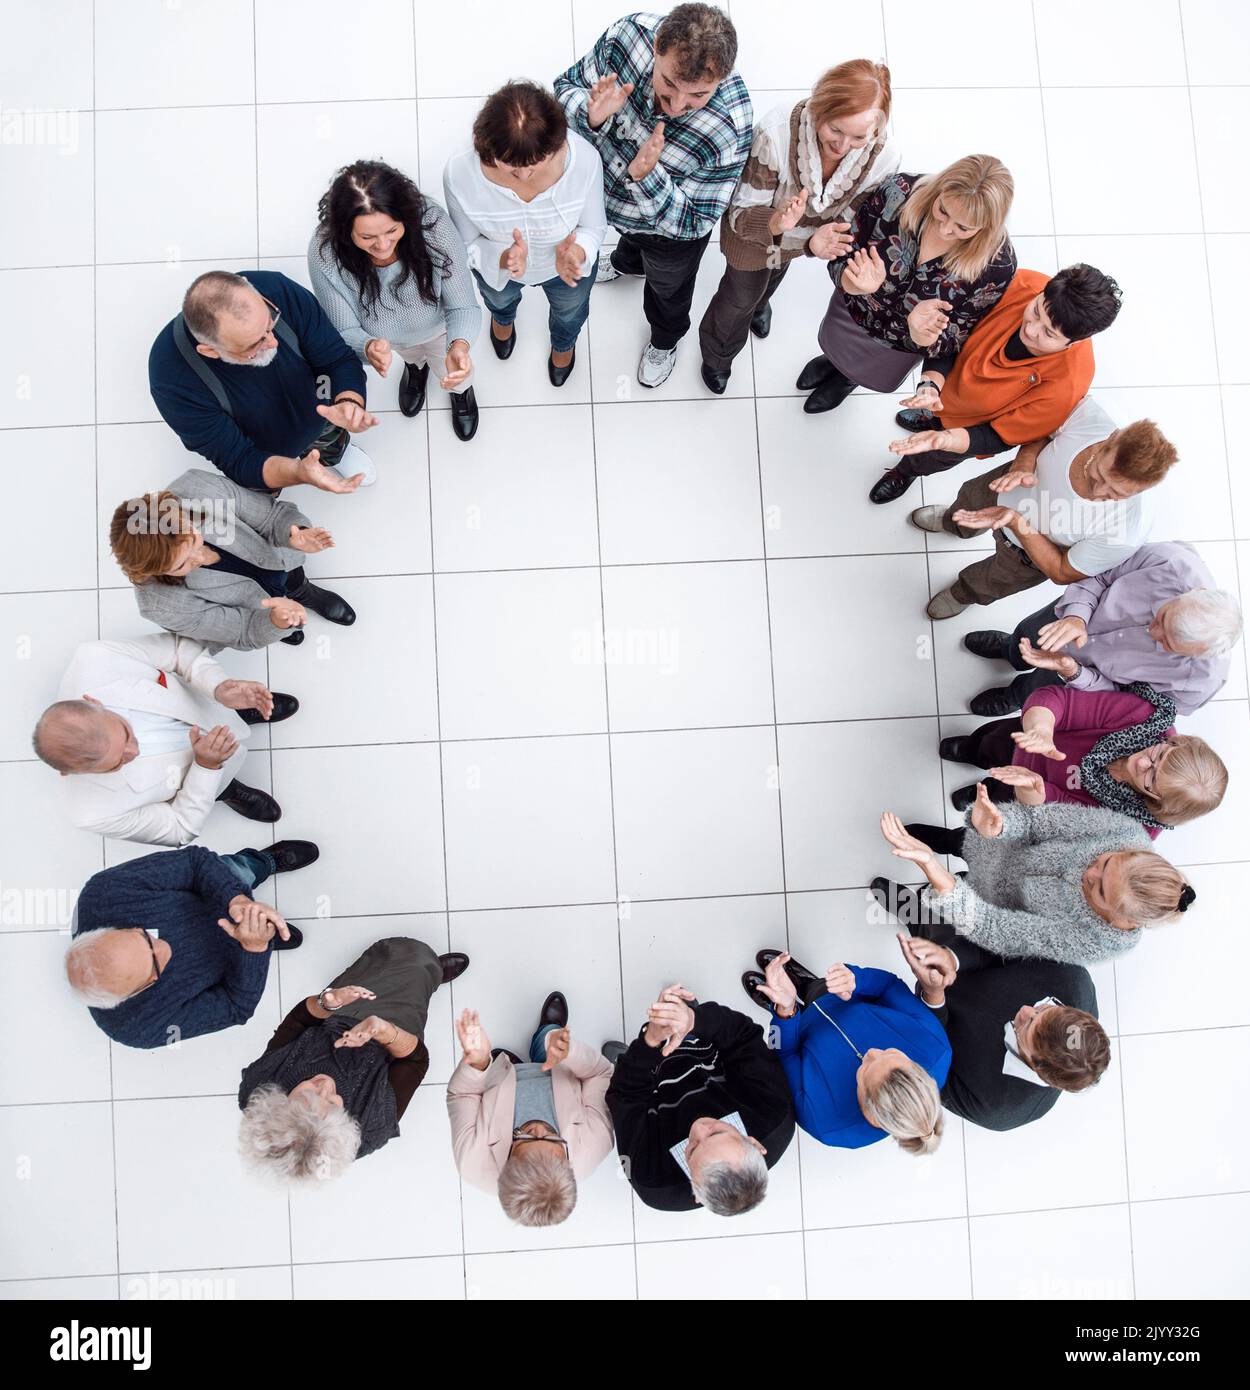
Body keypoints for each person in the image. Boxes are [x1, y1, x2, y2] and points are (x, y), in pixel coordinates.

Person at [554, 4, 752, 388]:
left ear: (723, 77)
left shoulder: (731, 125)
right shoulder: (629, 35)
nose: (676, 106)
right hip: (606, 203)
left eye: (698, 95)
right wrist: (591, 114)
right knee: (629, 248)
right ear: (657, 45)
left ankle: (665, 340)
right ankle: (626, 263)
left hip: (667, 236)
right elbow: (565, 89)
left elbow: (694, 222)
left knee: (668, 294)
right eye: (669, 83)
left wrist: (646, 178)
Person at [697, 58, 899, 392]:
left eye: (858, 137)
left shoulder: (884, 158)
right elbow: (740, 214)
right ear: (820, 106)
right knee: (738, 299)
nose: (842, 146)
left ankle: (761, 303)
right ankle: (718, 355)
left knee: (776, 270)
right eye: (835, 129)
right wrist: (777, 222)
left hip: (799, 243)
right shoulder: (775, 133)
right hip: (752, 239)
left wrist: (817, 241)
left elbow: (855, 213)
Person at [796, 156, 1016, 437]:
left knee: (861, 370)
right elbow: (843, 248)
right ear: (939, 188)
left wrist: (924, 335)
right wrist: (853, 283)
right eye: (943, 210)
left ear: (987, 227)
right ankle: (832, 361)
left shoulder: (997, 265)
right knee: (834, 345)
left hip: (899, 345)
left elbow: (960, 335)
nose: (945, 229)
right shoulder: (898, 193)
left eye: (963, 228)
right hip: (855, 310)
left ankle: (848, 380)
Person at [873, 262, 1122, 503]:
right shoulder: (1019, 284)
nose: (1031, 330)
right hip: (946, 387)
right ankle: (930, 417)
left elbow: (1000, 436)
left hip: (969, 429)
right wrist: (931, 385)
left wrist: (947, 439)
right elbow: (954, 333)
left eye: (1048, 333)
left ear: (1073, 342)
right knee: (933, 413)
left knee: (931, 456)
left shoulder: (1068, 386)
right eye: (1036, 311)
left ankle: (905, 472)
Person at [912, 402, 1175, 619]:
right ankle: (952, 523)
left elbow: (1062, 571)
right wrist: (1023, 465)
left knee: (991, 581)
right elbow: (1041, 427)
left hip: (1027, 558)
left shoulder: (1128, 531)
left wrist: (1016, 522)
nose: (1097, 492)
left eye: (1116, 493)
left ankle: (962, 594)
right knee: (966, 503)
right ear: (1111, 438)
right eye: (1099, 474)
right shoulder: (1088, 413)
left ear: (1144, 488)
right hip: (1002, 487)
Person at [238, 940, 469, 1181]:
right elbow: (415, 1062)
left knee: (370, 970)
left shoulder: (260, 1090)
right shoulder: (369, 1128)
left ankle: (408, 970)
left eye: (307, 1096)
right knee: (417, 970)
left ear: (279, 1102)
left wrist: (326, 1002)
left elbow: (298, 1022)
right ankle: (429, 975)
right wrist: (384, 1031)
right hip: (392, 1031)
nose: (324, 1086)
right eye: (333, 1104)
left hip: (336, 1014)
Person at [34, 632, 297, 845]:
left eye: (125, 733)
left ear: (94, 702)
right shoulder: (90, 813)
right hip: (199, 777)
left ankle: (239, 713)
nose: (134, 752)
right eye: (117, 764)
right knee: (216, 784)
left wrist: (217, 687)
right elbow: (179, 829)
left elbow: (178, 649)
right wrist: (206, 768)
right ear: (71, 774)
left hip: (208, 705)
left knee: (224, 713)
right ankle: (229, 790)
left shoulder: (96, 657)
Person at [873, 801, 1193, 967]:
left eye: (1099, 891)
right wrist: (1000, 825)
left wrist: (936, 874)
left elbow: (995, 927)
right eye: (1104, 862)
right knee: (959, 840)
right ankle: (933, 841)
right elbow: (1040, 820)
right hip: (1003, 848)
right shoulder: (1127, 835)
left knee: (937, 915)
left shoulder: (1100, 942)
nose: (1089, 873)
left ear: (1119, 920)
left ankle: (910, 908)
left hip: (996, 906)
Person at [66, 842, 318, 1049]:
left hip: (213, 895)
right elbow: (236, 1007)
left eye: (145, 937)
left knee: (238, 871)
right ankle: (264, 936)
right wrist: (254, 948)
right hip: (234, 956)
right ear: (134, 992)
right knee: (256, 950)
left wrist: (236, 899)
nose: (163, 946)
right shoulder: (136, 1027)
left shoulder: (103, 893)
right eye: (154, 964)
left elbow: (194, 863)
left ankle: (263, 863)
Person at [148, 268, 378, 494]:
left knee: (329, 436)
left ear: (249, 286)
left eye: (270, 322)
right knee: (264, 493)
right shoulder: (172, 381)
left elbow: (336, 359)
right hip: (264, 456)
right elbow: (240, 459)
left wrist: (349, 403)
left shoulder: (277, 290)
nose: (272, 342)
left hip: (320, 412)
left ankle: (335, 453)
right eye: (254, 344)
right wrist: (298, 472)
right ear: (210, 351)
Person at [443, 82, 606, 389]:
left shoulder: (585, 160)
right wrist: (503, 258)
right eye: (511, 168)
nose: (524, 176)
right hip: (500, 269)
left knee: (570, 313)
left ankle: (563, 345)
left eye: (534, 165)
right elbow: (465, 244)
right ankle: (503, 319)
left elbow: (594, 227)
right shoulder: (459, 172)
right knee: (499, 299)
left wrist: (578, 252)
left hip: (565, 270)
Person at [965, 541, 1243, 717]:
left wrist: (1075, 673)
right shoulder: (1171, 562)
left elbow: (1126, 701)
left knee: (1038, 690)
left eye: (1167, 645)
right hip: (1073, 613)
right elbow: (1098, 572)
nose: (1153, 632)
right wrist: (1076, 617)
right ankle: (1009, 650)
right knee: (1027, 633)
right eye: (1162, 617)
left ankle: (1013, 697)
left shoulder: (1195, 686)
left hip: (1085, 677)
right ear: (1195, 591)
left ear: (1198, 655)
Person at [309, 159, 482, 441]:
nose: (382, 246)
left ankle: (461, 393)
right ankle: (416, 369)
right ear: (344, 231)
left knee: (451, 368)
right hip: (388, 341)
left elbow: (463, 305)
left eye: (392, 231)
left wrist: (459, 345)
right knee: (412, 356)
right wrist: (367, 346)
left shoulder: (433, 225)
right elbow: (343, 328)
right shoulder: (325, 253)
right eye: (367, 237)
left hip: (440, 331)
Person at [109, 471, 355, 653]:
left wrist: (295, 535)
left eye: (194, 539)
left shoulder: (198, 488)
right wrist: (274, 623)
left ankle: (304, 592)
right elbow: (242, 630)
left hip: (279, 561)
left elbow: (271, 517)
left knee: (293, 579)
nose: (200, 556)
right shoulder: (161, 605)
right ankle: (283, 629)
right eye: (181, 565)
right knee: (277, 625)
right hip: (252, 610)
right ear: (155, 572)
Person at [603, 983, 794, 1214]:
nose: (698, 1128)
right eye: (717, 1133)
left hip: (651, 1089)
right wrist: (693, 1021)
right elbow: (743, 1037)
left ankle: (631, 1057)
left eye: (692, 1149)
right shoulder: (775, 1115)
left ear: (694, 1190)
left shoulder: (652, 1181)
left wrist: (649, 1042)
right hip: (704, 1054)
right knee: (697, 1023)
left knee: (630, 1071)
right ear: (754, 1143)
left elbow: (623, 1097)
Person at [941, 682, 1228, 833]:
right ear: (1174, 742)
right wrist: (1041, 728)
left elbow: (1060, 814)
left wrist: (1032, 789)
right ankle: (971, 750)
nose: (1142, 763)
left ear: (1158, 803)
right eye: (1159, 754)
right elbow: (1062, 702)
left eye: (1152, 779)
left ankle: (984, 791)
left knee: (999, 794)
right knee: (988, 743)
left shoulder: (1133, 825)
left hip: (1034, 797)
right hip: (1025, 738)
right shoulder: (1145, 719)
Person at [895, 932, 1110, 1132]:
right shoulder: (1073, 980)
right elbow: (1004, 943)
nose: (1025, 1010)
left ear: (1036, 1067)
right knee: (920, 914)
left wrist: (933, 996)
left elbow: (929, 1063)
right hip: (964, 949)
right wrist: (952, 958)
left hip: (913, 1026)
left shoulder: (995, 1107)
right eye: (1044, 1008)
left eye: (1027, 1026)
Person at [740, 950, 949, 1153]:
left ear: (869, 1114)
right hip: (838, 998)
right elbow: (889, 986)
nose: (871, 1052)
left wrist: (784, 1011)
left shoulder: (826, 1125)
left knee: (784, 1011)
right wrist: (856, 979)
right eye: (889, 1052)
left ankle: (781, 1002)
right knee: (817, 988)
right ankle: (807, 984)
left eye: (865, 1070)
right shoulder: (934, 1046)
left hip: (798, 1038)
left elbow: (780, 1058)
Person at [447, 992, 614, 1227]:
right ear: (569, 1164)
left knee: (497, 1063)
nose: (538, 1127)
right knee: (549, 1038)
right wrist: (569, 1053)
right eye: (552, 1138)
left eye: (524, 1138)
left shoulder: (471, 1163)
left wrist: (479, 1063)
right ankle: (545, 1034)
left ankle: (510, 1064)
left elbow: (462, 1095)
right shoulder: (596, 1144)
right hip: (555, 1067)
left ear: (507, 1162)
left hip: (498, 1081)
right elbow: (600, 1074)